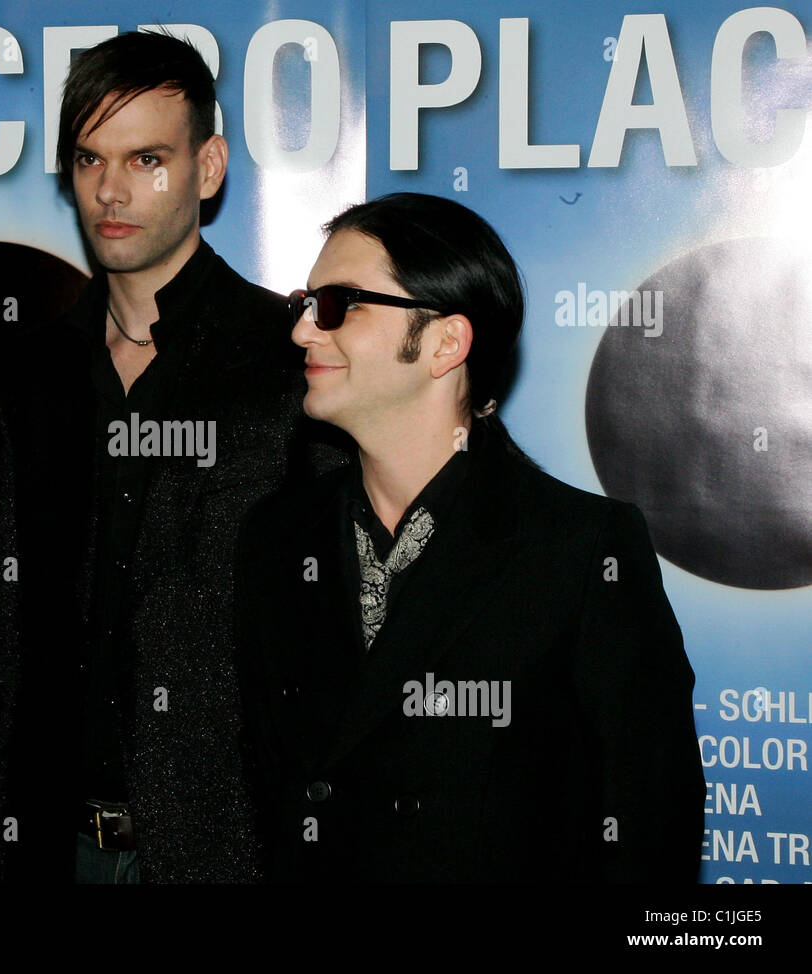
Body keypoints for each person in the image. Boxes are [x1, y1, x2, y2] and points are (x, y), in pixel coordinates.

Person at [235, 192, 703, 882]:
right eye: (304, 305)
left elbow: (650, 832)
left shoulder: (577, 551)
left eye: (339, 306)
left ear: (445, 343)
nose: (305, 331)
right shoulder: (277, 538)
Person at [0, 31, 342, 883]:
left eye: (146, 157)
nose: (111, 189)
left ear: (208, 168)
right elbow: (10, 640)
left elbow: (330, 639)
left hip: (229, 854)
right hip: (49, 848)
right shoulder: (35, 372)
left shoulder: (290, 360)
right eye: (88, 158)